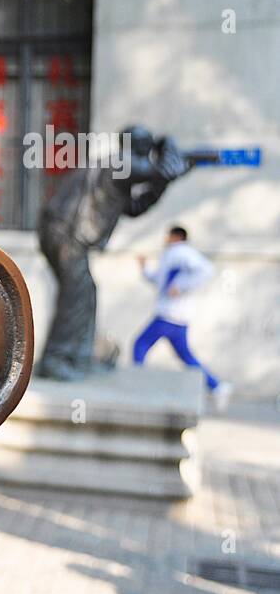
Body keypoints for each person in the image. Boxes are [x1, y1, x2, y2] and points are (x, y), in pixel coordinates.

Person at [37, 126, 191, 380]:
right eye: (145, 145)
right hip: (64, 233)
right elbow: (157, 171)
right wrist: (169, 154)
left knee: (85, 291)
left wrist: (163, 181)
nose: (147, 150)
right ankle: (56, 359)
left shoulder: (118, 172)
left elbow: (135, 206)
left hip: (65, 235)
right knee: (76, 294)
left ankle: (79, 356)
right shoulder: (121, 163)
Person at [134, 226, 230, 408]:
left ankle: (135, 385)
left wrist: (182, 285)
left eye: (168, 235)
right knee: (185, 355)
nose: (165, 239)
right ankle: (216, 385)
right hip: (175, 315)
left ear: (177, 236)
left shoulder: (182, 252)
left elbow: (206, 270)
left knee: (140, 344)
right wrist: (144, 268)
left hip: (169, 314)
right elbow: (160, 281)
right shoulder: (172, 255)